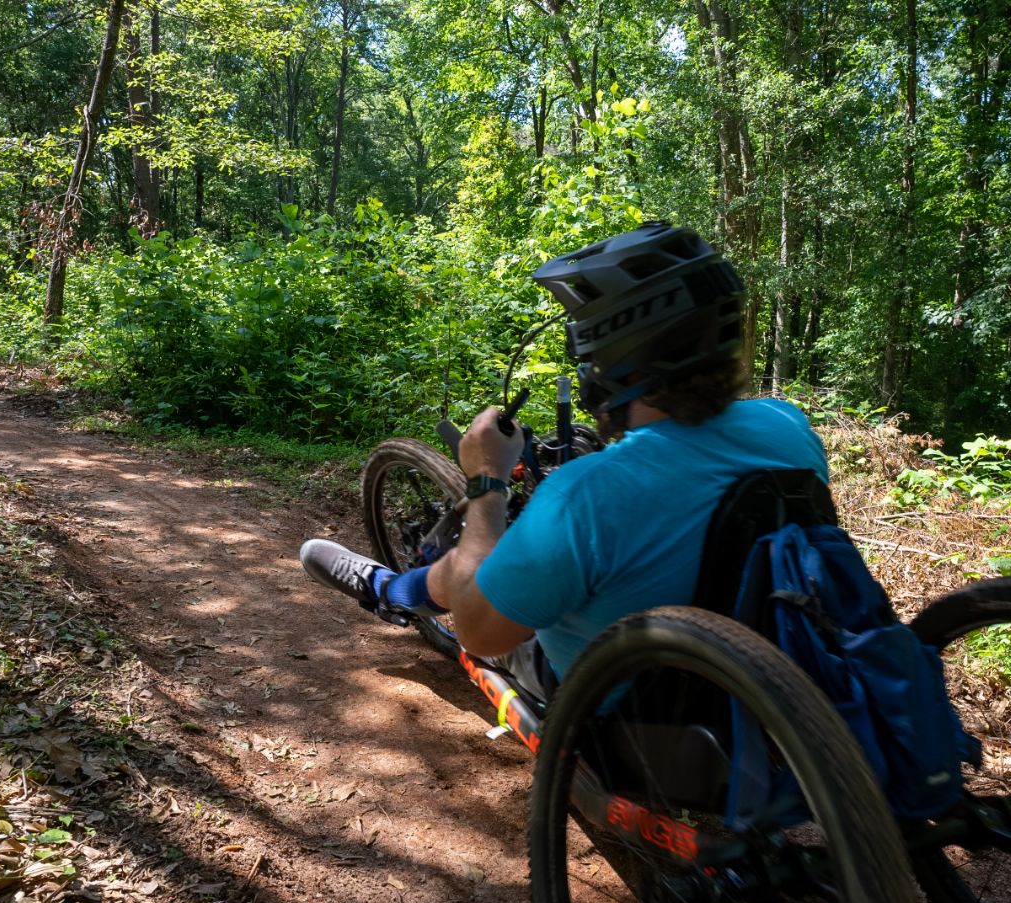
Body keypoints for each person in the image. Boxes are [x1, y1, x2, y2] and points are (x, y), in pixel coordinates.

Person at [299, 221, 828, 697]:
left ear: (610, 360)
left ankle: (391, 590)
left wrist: (487, 482)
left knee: (476, 574)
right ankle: (397, 588)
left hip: (630, 717)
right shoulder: (787, 427)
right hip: (772, 687)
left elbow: (479, 632)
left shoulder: (586, 493)